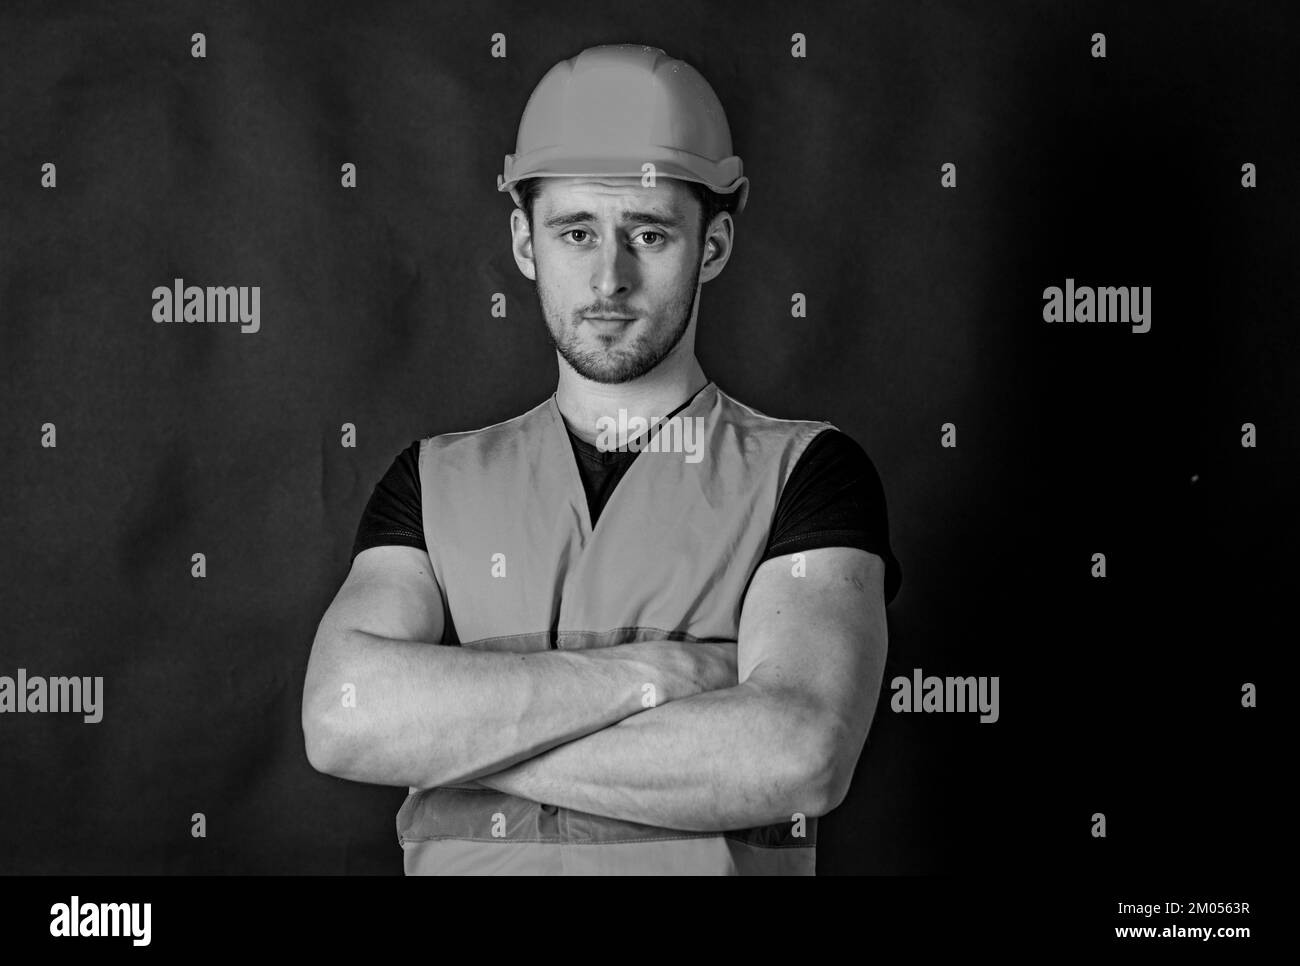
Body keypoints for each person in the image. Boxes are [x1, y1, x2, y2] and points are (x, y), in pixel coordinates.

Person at [302, 43, 902, 875]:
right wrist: (662, 677)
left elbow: (797, 754)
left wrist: (453, 746)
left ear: (715, 244)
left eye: (649, 233)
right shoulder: (431, 482)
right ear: (524, 243)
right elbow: (342, 714)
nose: (609, 277)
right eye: (575, 231)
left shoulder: (807, 475)